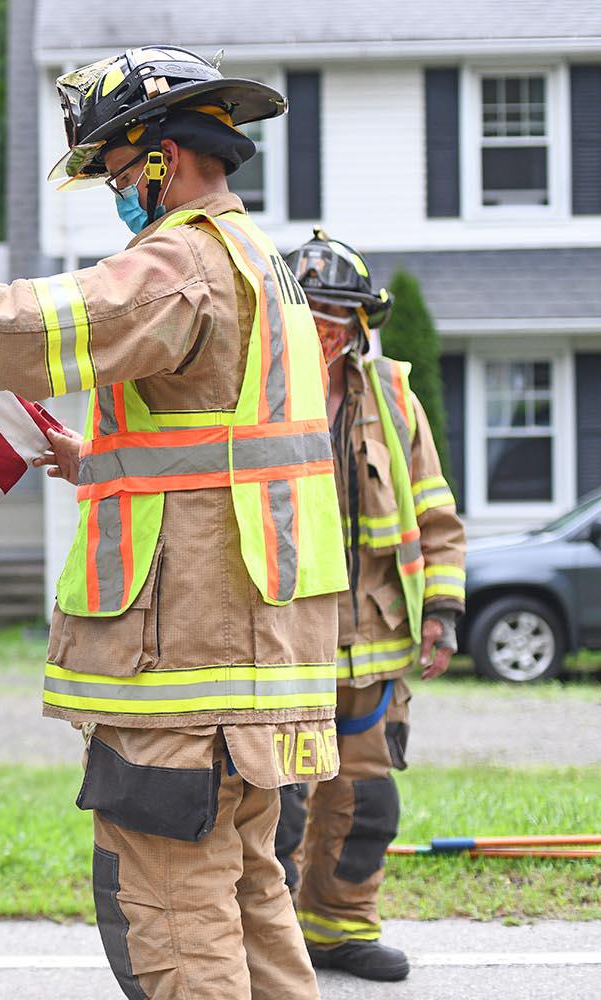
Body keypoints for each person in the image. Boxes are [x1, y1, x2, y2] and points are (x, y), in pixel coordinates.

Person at [0, 45, 348, 998]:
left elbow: (38, 330)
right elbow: (223, 448)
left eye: (114, 172)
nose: (114, 198)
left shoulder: (182, 259)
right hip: (254, 659)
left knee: (179, 920)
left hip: (186, 667)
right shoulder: (259, 263)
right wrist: (96, 462)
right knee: (250, 902)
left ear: (164, 159)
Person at [274, 231, 466, 982]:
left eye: (337, 315)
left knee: (367, 805)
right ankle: (276, 940)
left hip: (373, 641)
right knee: (278, 808)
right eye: (310, 313)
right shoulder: (253, 392)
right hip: (285, 643)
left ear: (361, 324)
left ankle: (340, 930)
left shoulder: (390, 394)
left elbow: (434, 511)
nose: (324, 328)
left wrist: (443, 613)